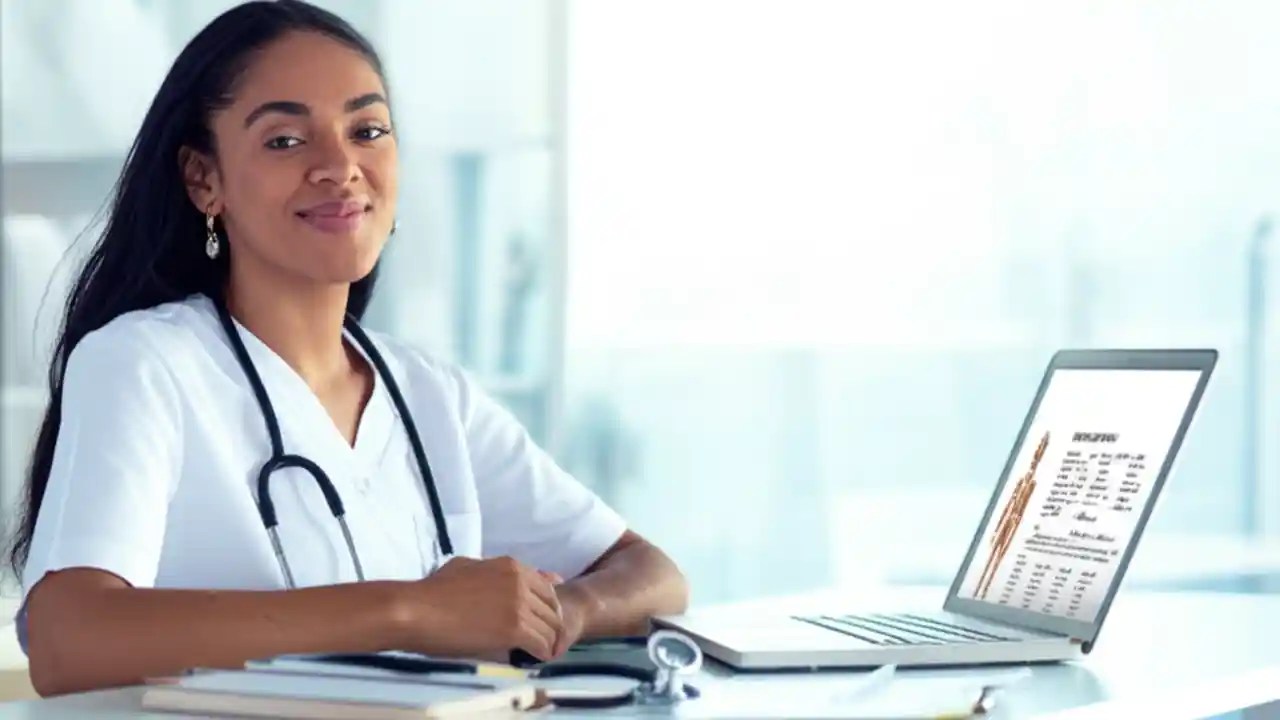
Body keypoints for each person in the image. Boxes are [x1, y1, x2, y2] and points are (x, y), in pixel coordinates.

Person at [8, 0, 687, 697]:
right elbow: (70, 640)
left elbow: (652, 576)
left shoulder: (426, 393)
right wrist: (413, 610)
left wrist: (552, 614)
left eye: (367, 130)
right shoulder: (143, 363)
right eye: (285, 140)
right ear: (202, 179)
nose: (341, 166)